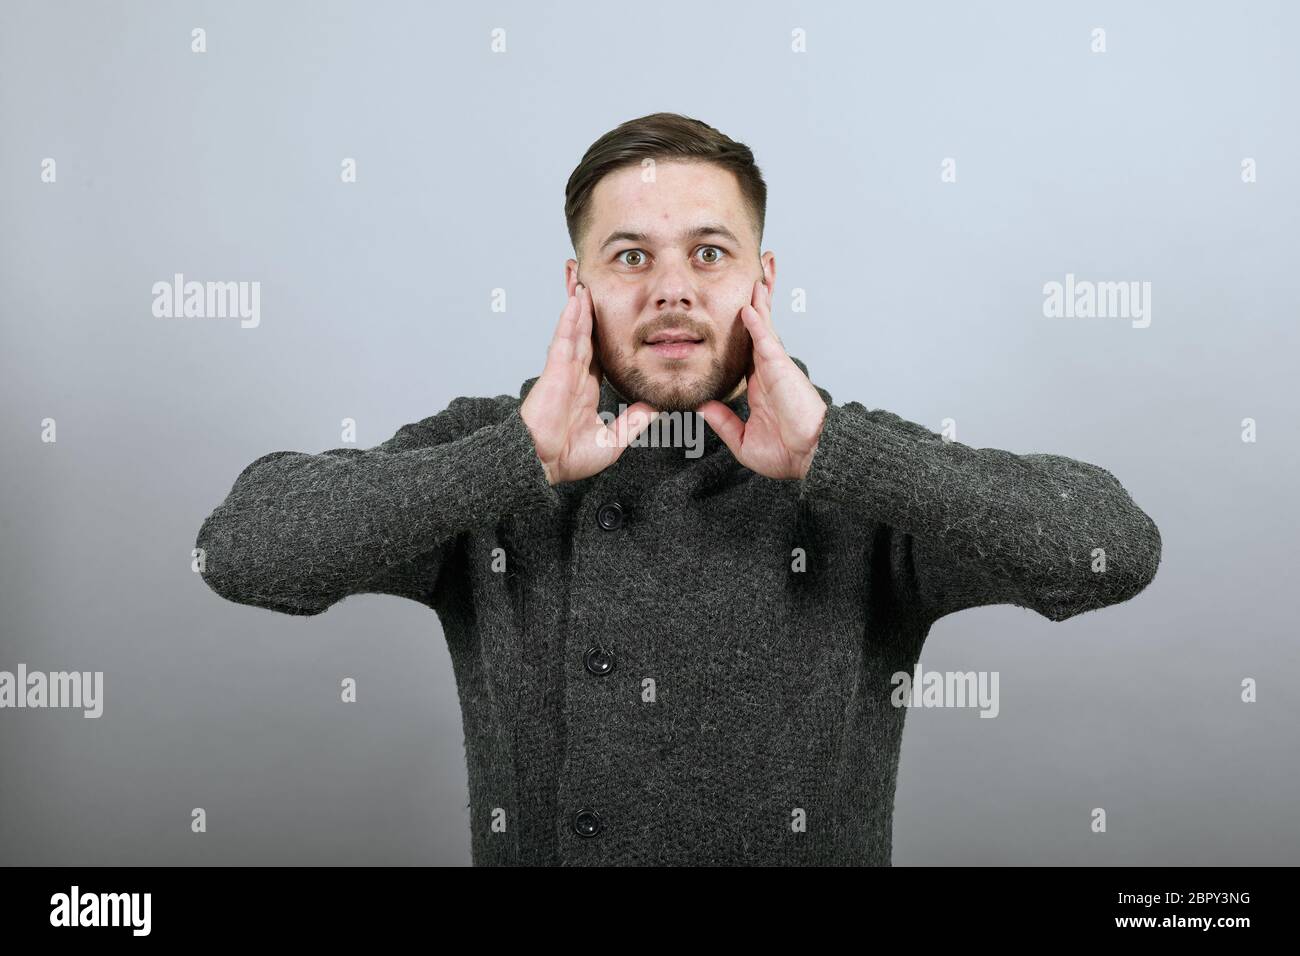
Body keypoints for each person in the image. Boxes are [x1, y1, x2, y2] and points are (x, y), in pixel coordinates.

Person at [195, 112, 1162, 866]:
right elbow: (244, 550)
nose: (671, 289)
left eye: (710, 252)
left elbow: (1111, 546)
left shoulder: (858, 471)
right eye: (629, 257)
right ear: (576, 286)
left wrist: (837, 448)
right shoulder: (494, 457)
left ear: (761, 280)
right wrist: (512, 460)